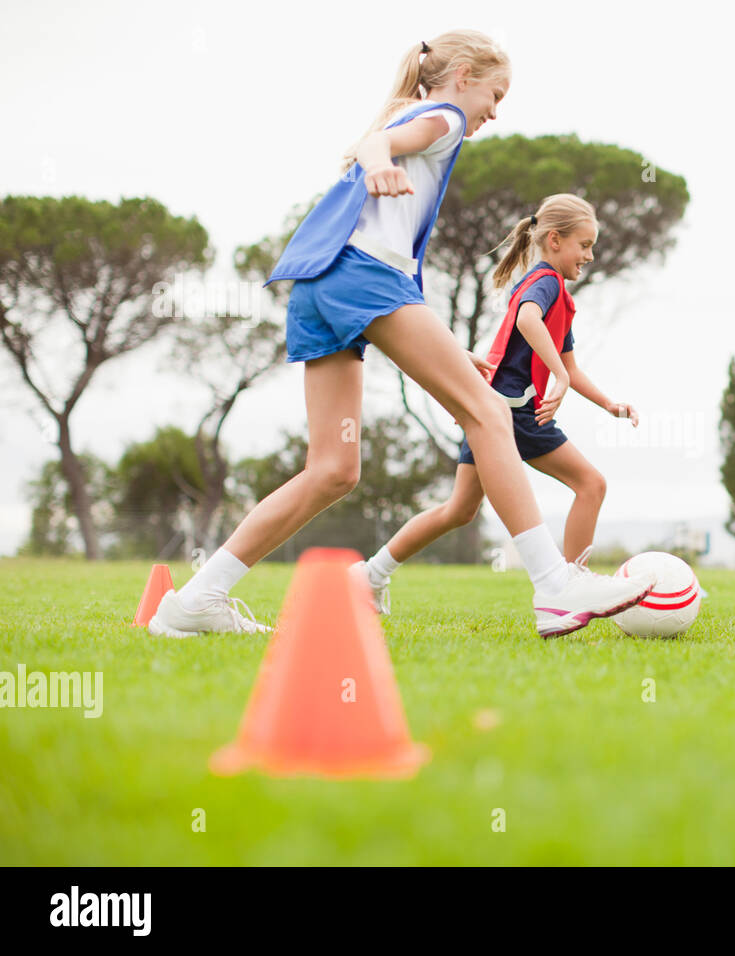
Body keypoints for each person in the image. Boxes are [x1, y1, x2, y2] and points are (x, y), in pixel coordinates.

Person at [148, 31, 650, 640]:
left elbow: (383, 220)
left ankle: (197, 599)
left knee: (333, 469)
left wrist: (438, 339)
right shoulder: (441, 116)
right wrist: (381, 162)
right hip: (362, 278)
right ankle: (554, 587)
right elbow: (373, 144)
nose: (495, 111)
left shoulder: (421, 116)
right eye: (495, 94)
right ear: (463, 75)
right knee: (489, 411)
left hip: (322, 285)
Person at [353, 194, 640, 614]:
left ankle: (370, 575)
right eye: (585, 245)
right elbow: (528, 320)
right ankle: (572, 585)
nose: (590, 255)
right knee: (590, 485)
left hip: (491, 409)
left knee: (459, 510)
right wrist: (556, 376)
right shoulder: (546, 281)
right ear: (555, 240)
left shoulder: (556, 293)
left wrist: (609, 404)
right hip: (512, 411)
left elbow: (569, 367)